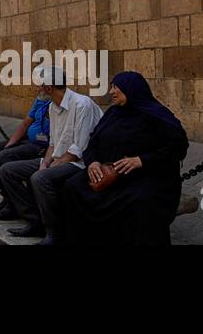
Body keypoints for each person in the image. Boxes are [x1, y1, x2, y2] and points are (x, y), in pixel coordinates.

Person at [59, 71, 190, 245]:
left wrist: (141, 160)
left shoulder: (156, 115)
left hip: (146, 177)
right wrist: (93, 162)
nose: (112, 91)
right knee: (73, 187)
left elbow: (178, 147)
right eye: (112, 86)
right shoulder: (113, 114)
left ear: (132, 89)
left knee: (139, 203)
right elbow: (93, 143)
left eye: (117, 87)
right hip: (109, 174)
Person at [0, 66, 102, 244]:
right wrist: (46, 162)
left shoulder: (82, 104)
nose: (35, 89)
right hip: (59, 158)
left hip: (79, 162)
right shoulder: (53, 107)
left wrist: (54, 165)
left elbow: (80, 148)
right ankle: (34, 220)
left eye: (38, 86)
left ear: (48, 88)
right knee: (7, 170)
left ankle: (54, 231)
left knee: (40, 178)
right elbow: (53, 143)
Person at [0, 87, 52, 218]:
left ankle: (16, 205)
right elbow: (26, 123)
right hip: (29, 140)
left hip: (42, 146)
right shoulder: (41, 99)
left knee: (0, 159)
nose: (37, 89)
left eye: (41, 85)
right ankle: (7, 196)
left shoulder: (57, 104)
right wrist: (10, 144)